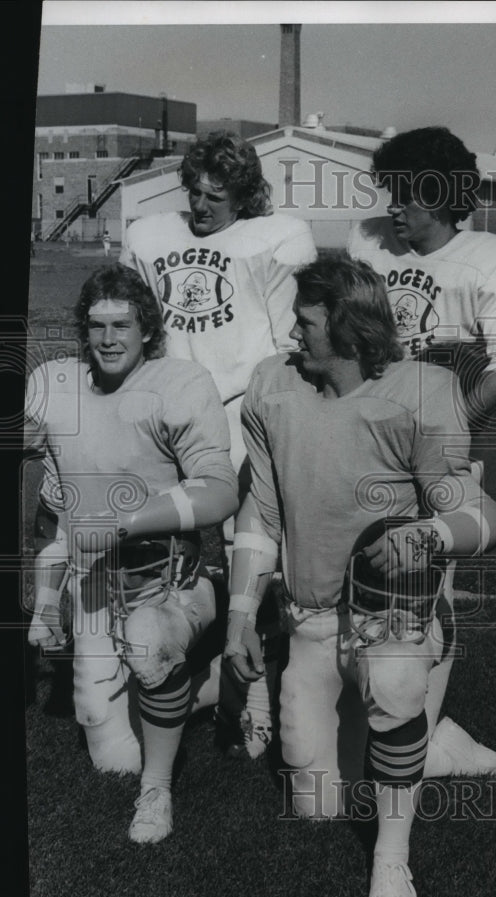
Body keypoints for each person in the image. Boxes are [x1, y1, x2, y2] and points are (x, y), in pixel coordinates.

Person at [223, 256, 496, 897]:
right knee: (318, 802)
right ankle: (430, 745)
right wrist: (238, 617)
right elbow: (260, 515)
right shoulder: (271, 386)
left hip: (392, 613)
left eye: (308, 321)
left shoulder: (421, 391)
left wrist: (429, 535)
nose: (294, 332)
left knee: (397, 687)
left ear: (350, 330)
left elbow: (483, 515)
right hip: (312, 620)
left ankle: (391, 858)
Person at [119, 130, 317, 757]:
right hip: (175, 404)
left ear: (244, 193)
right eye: (195, 192)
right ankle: (151, 655)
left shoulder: (276, 234)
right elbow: (137, 320)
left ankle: (251, 694)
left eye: (217, 194)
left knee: (249, 546)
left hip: (242, 405)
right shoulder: (153, 235)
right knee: (154, 534)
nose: (202, 206)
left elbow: (292, 339)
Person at [25, 263, 238, 843]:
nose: (109, 338)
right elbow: (50, 514)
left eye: (123, 324)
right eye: (97, 326)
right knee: (109, 750)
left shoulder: (179, 383)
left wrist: (123, 523)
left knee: (148, 648)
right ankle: (207, 683)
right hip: (93, 585)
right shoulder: (57, 384)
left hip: (167, 579)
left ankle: (159, 787)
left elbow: (220, 490)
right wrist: (47, 604)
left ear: (147, 328)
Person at [348, 125, 496, 776]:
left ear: (445, 195)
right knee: (355, 571)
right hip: (366, 432)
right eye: (390, 191)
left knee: (428, 582)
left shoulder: (494, 257)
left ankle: (420, 738)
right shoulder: (366, 240)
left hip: (447, 442)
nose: (394, 206)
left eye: (408, 194)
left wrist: (454, 422)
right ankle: (385, 722)